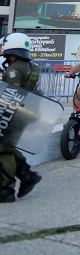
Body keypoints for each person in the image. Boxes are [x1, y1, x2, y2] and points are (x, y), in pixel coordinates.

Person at [1, 33, 43, 201]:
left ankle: (6, 189)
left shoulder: (14, 69)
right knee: (8, 146)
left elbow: (13, 92)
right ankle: (27, 175)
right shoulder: (32, 67)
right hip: (26, 113)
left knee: (3, 150)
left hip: (12, 114)